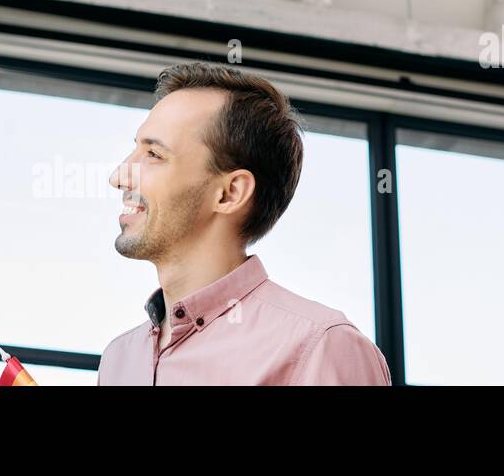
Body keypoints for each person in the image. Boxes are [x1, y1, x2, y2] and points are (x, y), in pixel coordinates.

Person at [98, 62, 390, 386]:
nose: (119, 176)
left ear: (229, 193)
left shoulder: (322, 346)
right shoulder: (119, 360)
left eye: (153, 154)